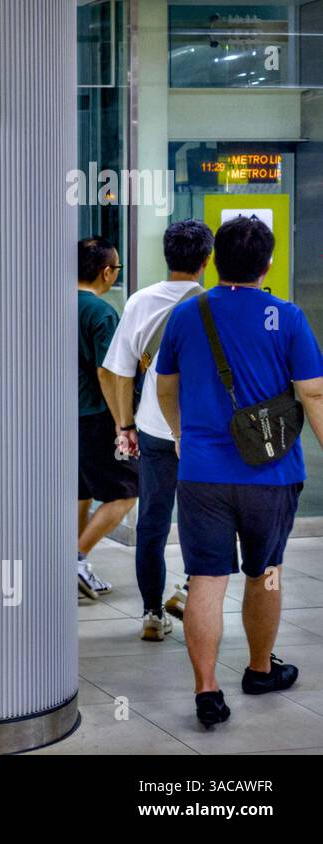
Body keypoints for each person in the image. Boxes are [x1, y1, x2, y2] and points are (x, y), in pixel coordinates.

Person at [155, 216, 323, 728]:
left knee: (206, 579)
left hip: (202, 473)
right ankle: (258, 669)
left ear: (214, 261)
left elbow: (165, 388)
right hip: (270, 473)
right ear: (267, 263)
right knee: (265, 571)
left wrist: (183, 435)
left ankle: (207, 689)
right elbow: (312, 394)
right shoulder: (287, 317)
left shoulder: (188, 314)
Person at [100, 220, 213, 641]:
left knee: (152, 521)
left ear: (167, 255)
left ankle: (151, 614)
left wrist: (124, 424)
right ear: (207, 260)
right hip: (204, 432)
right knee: (208, 517)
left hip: (154, 428)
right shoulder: (212, 304)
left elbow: (119, 372)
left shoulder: (139, 301)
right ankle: (188, 589)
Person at [75, 237, 137, 599]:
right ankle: (77, 560)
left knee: (80, 493)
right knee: (126, 491)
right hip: (95, 416)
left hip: (62, 416)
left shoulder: (50, 305)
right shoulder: (100, 312)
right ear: (107, 271)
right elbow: (107, 373)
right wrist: (122, 423)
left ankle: (70, 564)